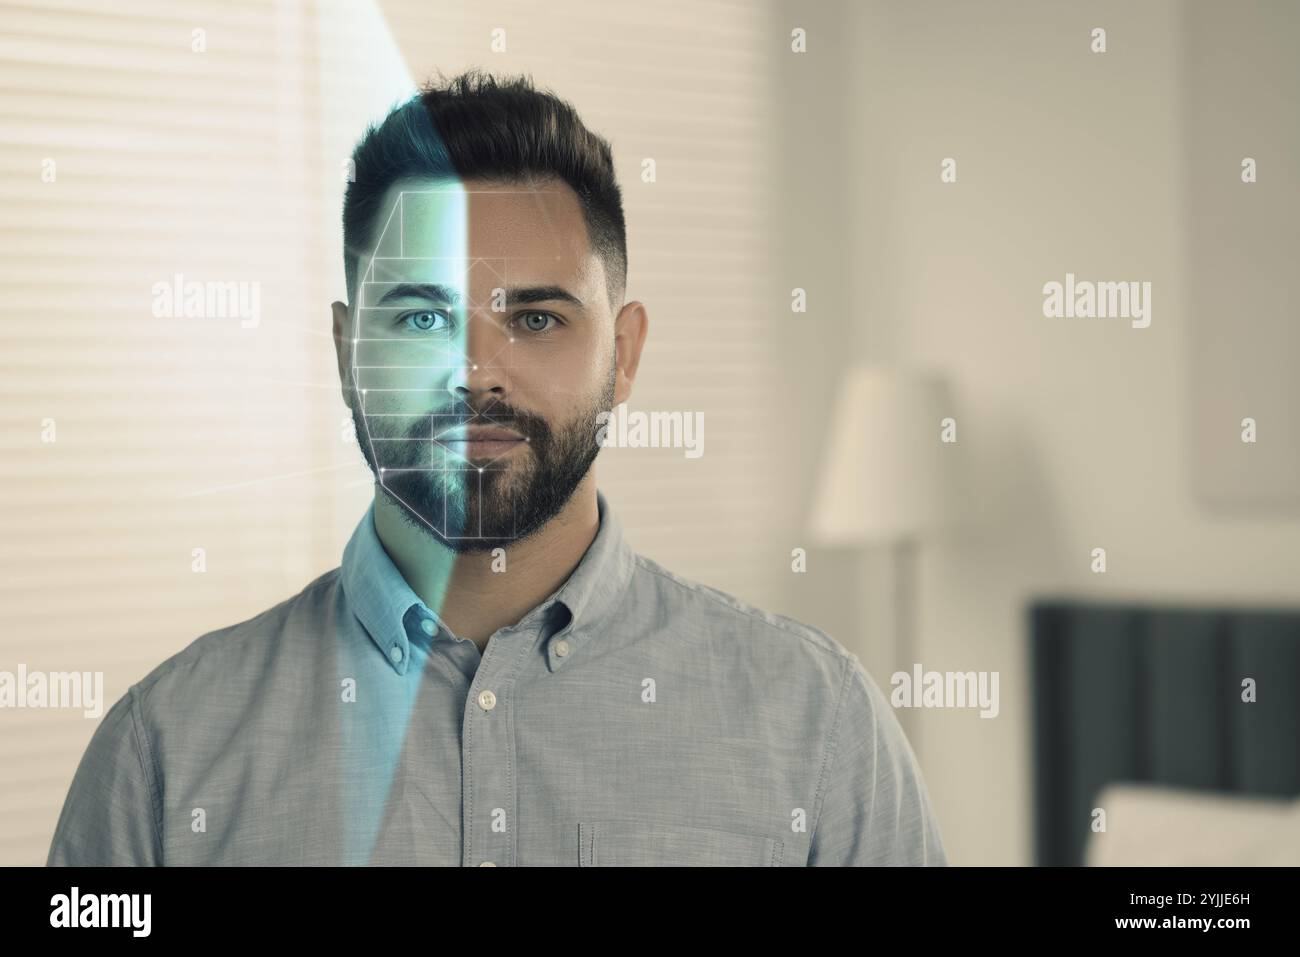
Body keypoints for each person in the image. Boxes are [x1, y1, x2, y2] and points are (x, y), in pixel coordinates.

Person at [47, 70, 946, 866]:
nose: (476, 372)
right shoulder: (163, 754)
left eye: (539, 318)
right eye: (421, 319)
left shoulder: (819, 729)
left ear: (624, 355)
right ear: (346, 349)